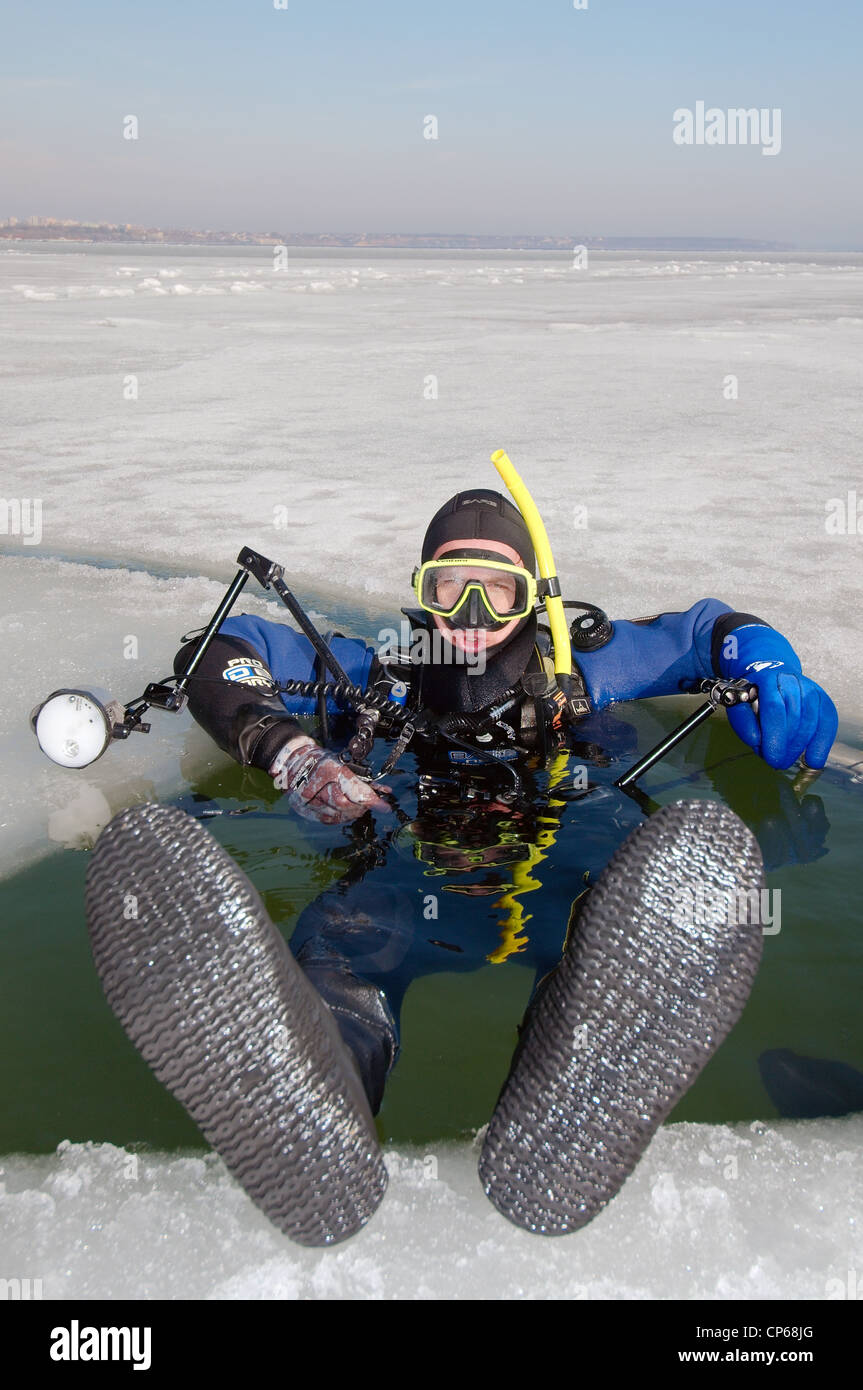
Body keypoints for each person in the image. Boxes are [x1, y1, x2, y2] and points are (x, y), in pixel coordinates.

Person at [84, 487, 838, 1246]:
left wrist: (767, 664)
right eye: (449, 588)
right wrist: (291, 752)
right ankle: (319, 1099)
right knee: (340, 952)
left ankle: (570, 1088)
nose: (472, 615)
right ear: (422, 593)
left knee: (606, 944)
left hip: (564, 886)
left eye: (496, 589)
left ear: (532, 597)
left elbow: (708, 630)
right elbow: (220, 648)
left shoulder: (579, 668)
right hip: (402, 888)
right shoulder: (379, 673)